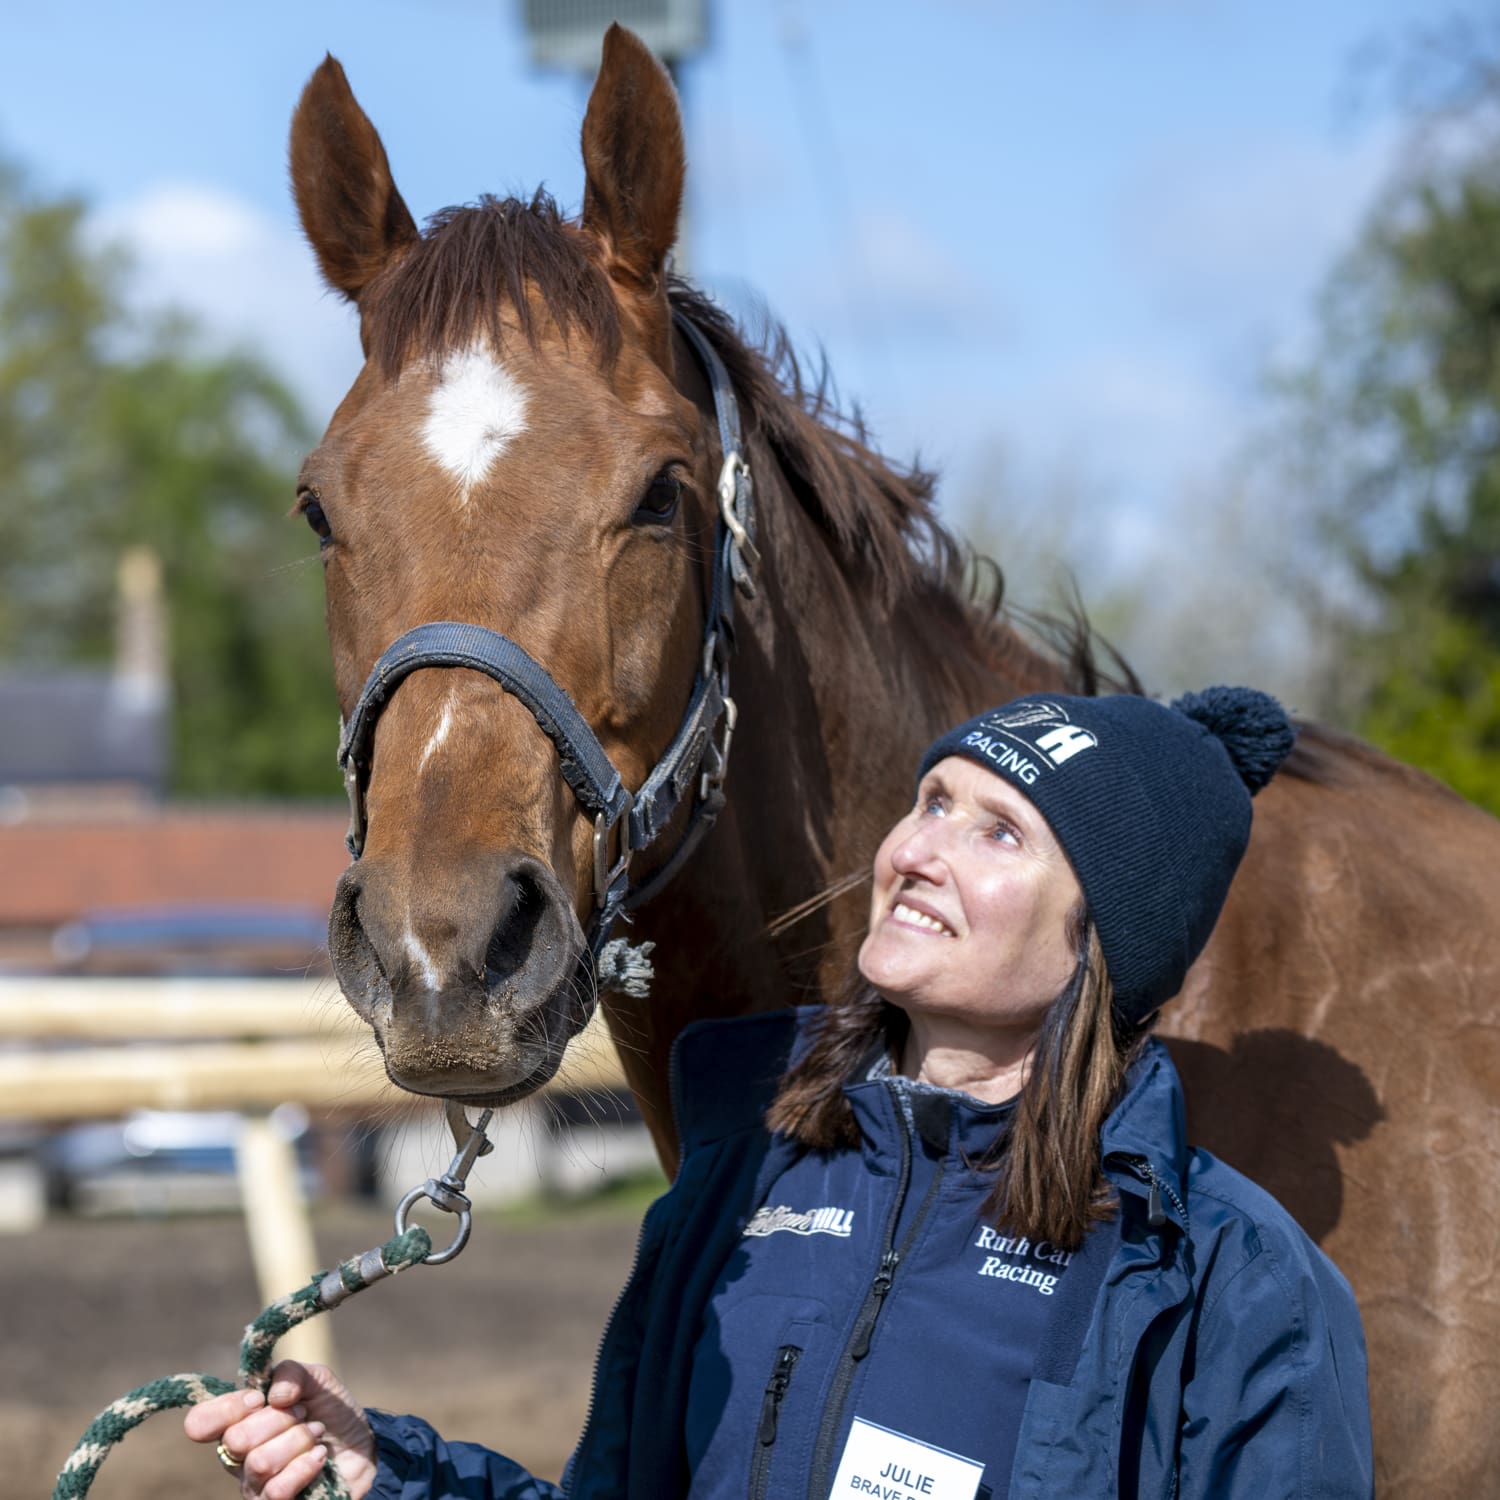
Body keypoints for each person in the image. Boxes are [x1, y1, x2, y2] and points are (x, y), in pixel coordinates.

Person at [186, 687, 1374, 1500]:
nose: (918, 850)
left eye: (1000, 834)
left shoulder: (1229, 1282)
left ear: (1103, 939)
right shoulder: (744, 1173)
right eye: (932, 803)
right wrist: (386, 1471)